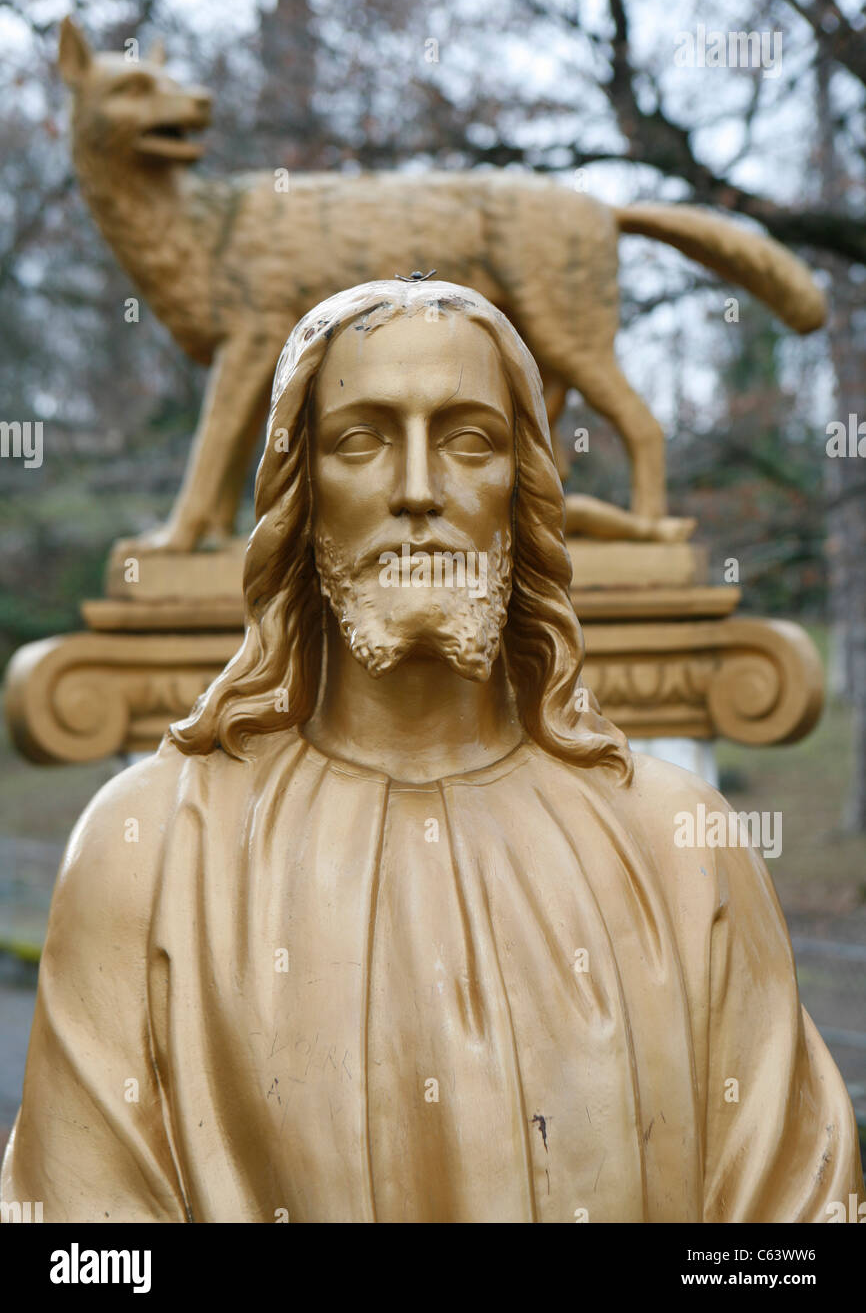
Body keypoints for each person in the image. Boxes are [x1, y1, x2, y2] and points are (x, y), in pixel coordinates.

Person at [2, 280, 862, 1223]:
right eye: (361, 441)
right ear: (302, 496)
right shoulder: (151, 848)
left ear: (521, 492)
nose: (419, 489)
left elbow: (791, 1228)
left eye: (470, 440)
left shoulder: (681, 843)